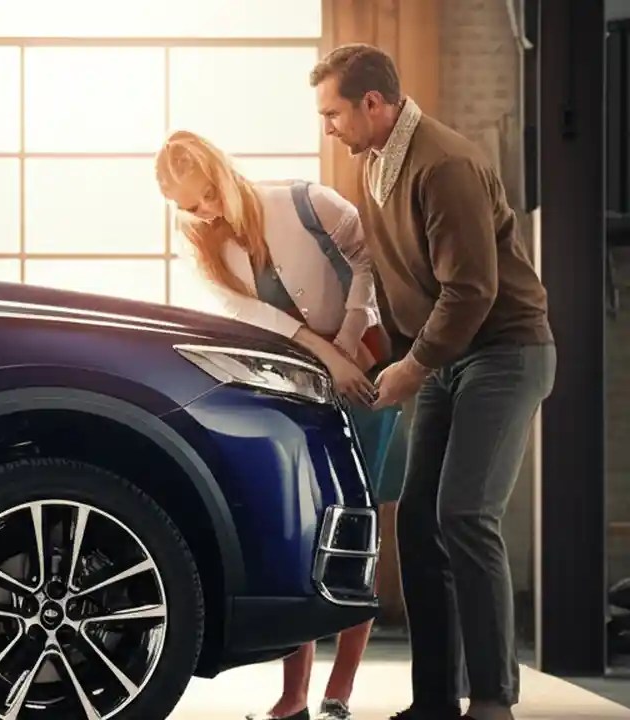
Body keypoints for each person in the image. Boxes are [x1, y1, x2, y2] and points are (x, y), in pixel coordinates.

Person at [309, 44, 556, 720]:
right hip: (446, 356)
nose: (327, 125)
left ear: (374, 103)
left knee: (465, 515)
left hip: (504, 351)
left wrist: (411, 368)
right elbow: (400, 284)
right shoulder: (377, 162)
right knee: (417, 522)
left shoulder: (443, 164)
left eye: (334, 112)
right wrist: (379, 357)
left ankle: (494, 701)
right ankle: (435, 703)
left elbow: (472, 290)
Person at [155, 129, 398, 720]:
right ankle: (293, 698)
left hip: (369, 374)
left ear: (221, 170)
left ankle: (338, 692)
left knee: (357, 528)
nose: (204, 211)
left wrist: (347, 342)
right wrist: (327, 356)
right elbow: (255, 315)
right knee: (309, 529)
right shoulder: (206, 249)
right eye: (189, 207)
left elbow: (368, 259)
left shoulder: (307, 202)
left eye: (207, 194)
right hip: (302, 388)